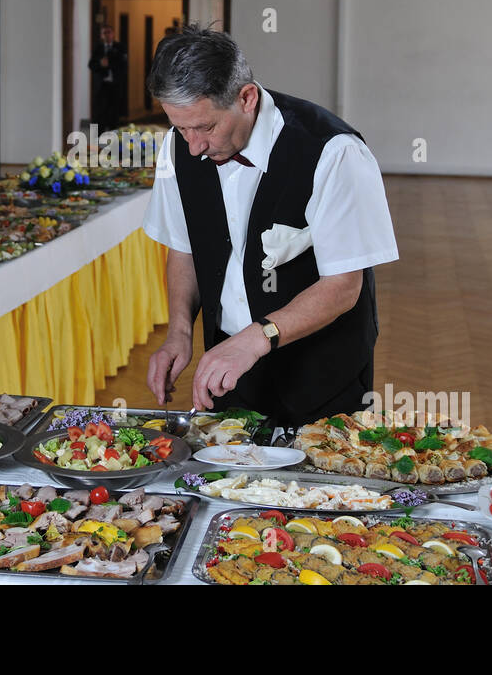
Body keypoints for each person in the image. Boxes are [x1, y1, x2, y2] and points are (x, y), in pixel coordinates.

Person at [142, 25, 399, 427]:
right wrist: (179, 331)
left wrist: (255, 338)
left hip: (320, 368)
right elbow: (184, 248)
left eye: (205, 128)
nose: (193, 146)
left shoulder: (333, 151)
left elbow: (344, 286)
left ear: (246, 98)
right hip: (229, 365)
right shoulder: (181, 145)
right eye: (180, 127)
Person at [88, 24, 127, 131]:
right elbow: (91, 65)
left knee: (114, 112)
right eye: (104, 33)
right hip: (102, 85)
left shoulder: (119, 47)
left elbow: (122, 64)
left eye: (109, 32)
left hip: (115, 85)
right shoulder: (98, 48)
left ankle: (113, 134)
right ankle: (99, 137)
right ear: (102, 35)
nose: (107, 35)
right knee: (100, 112)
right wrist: (100, 64)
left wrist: (109, 64)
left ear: (113, 34)